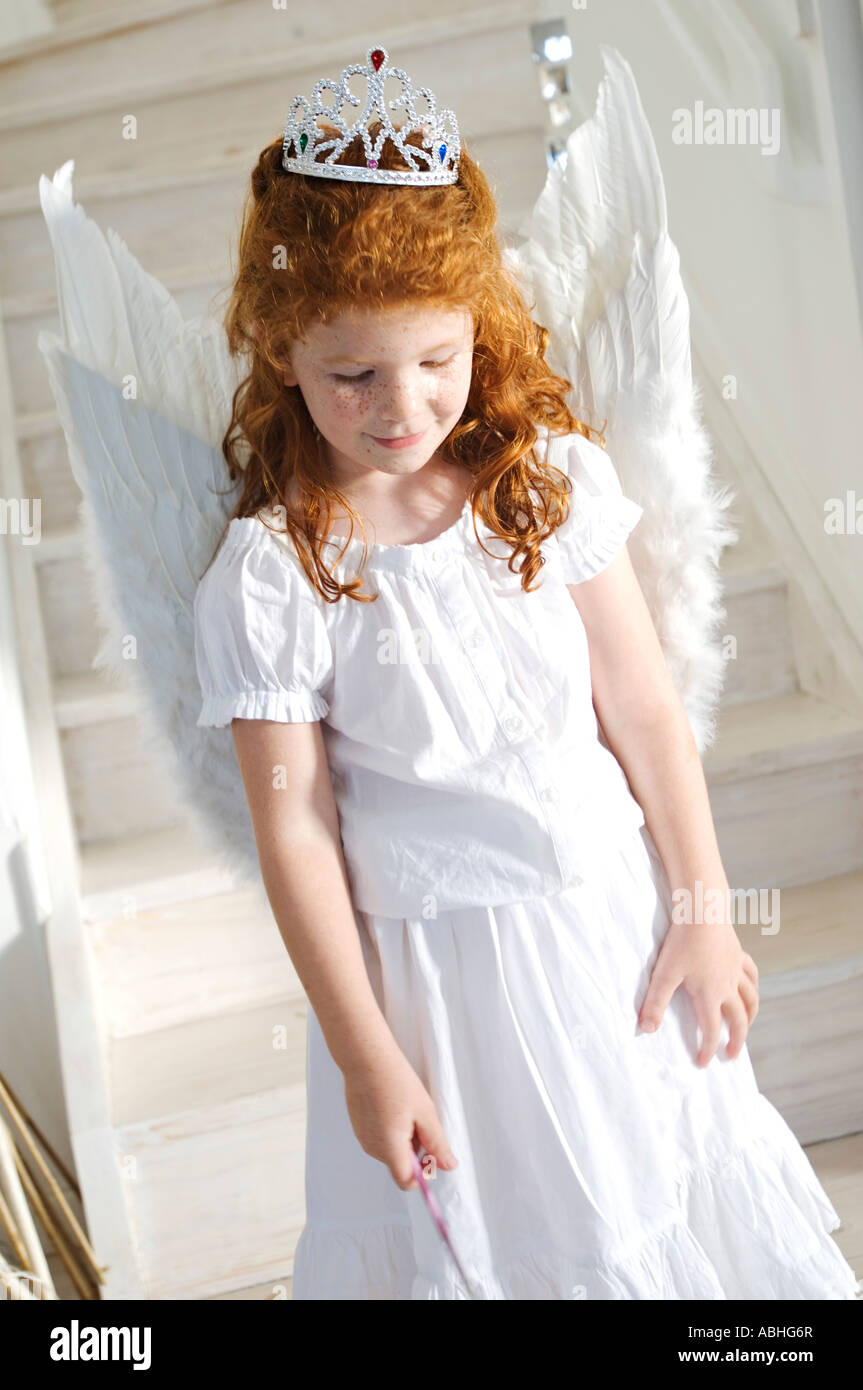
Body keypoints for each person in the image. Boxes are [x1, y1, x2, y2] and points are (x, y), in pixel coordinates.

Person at [192, 49, 860, 1300]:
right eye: (356, 375)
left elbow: (643, 707)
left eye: (438, 359)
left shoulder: (541, 484)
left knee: (663, 1203)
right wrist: (364, 1055)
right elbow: (295, 832)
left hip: (608, 928)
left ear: (476, 326)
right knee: (529, 1247)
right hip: (447, 990)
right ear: (282, 349)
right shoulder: (277, 573)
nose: (406, 406)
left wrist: (703, 904)